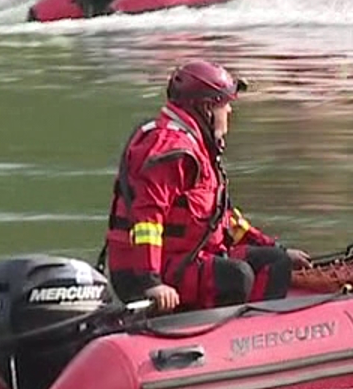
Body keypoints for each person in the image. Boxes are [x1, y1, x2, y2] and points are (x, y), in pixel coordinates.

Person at [104, 60, 311, 312]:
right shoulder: (171, 149)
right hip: (148, 272)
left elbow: (222, 219)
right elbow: (147, 219)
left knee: (275, 262)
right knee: (235, 276)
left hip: (183, 260)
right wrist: (152, 281)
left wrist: (276, 248)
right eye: (225, 105)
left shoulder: (196, 146)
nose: (230, 113)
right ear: (206, 108)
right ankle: (224, 337)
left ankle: (260, 331)